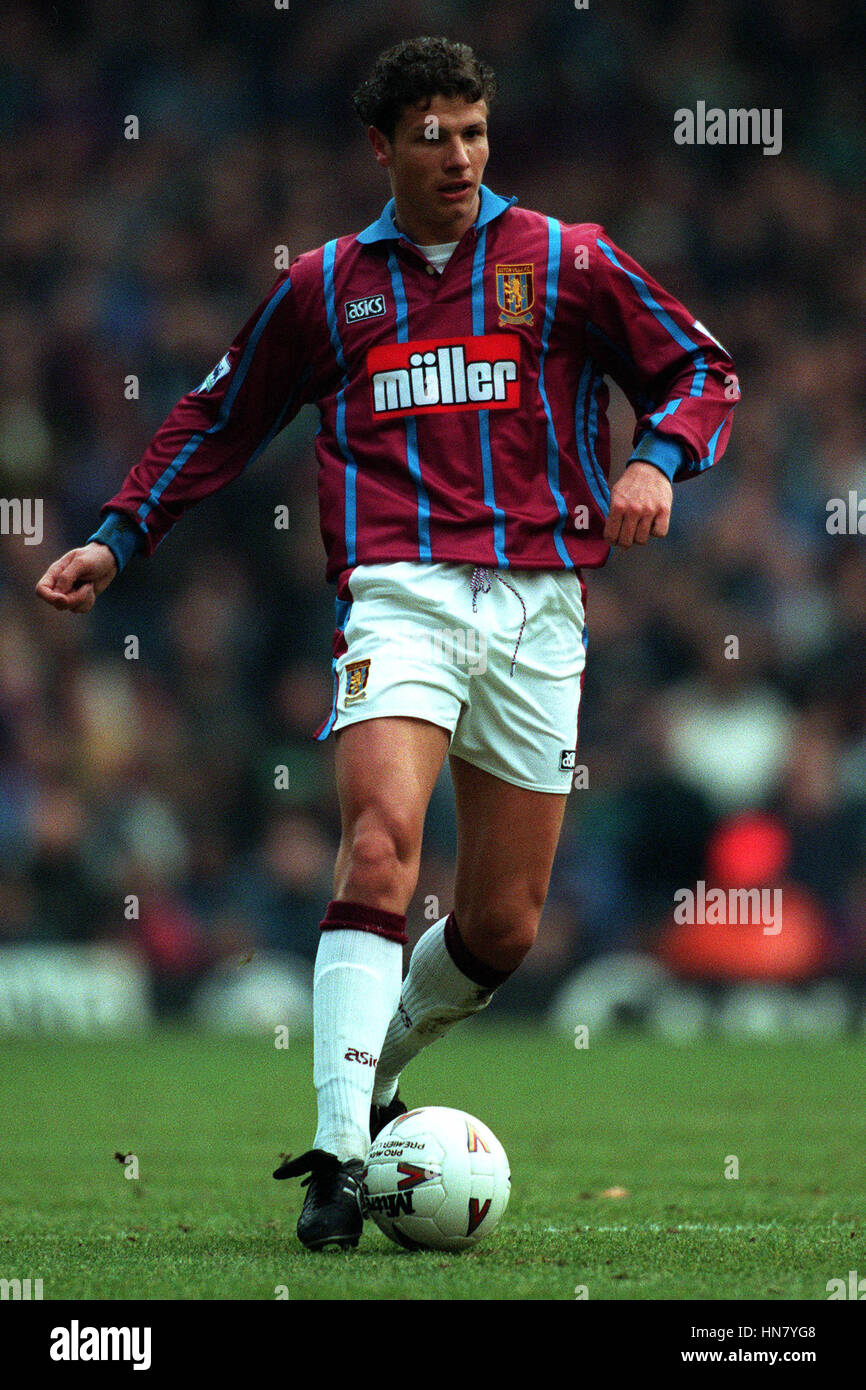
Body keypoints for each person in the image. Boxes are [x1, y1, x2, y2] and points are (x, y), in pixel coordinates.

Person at [36, 36, 739, 1250]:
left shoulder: (566, 262)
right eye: (433, 135)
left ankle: (369, 1076)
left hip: (538, 608)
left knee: (502, 928)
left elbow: (701, 371)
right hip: (397, 596)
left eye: (473, 131)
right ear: (383, 146)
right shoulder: (323, 287)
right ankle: (340, 1160)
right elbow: (218, 412)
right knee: (376, 846)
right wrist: (117, 535)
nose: (459, 155)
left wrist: (652, 457)